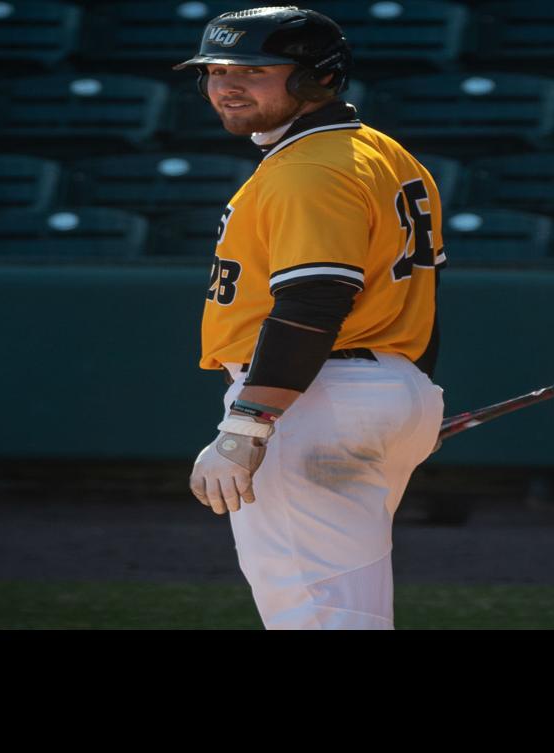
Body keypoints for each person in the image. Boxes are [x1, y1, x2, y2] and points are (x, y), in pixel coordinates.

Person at [179, 7, 446, 629]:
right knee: (345, 609)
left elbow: (315, 298)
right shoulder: (380, 152)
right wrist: (407, 394)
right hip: (366, 387)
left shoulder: (310, 168)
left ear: (319, 76)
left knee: (319, 615)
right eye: (215, 71)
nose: (226, 86)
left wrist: (249, 422)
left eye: (254, 70)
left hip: (309, 397)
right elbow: (418, 293)